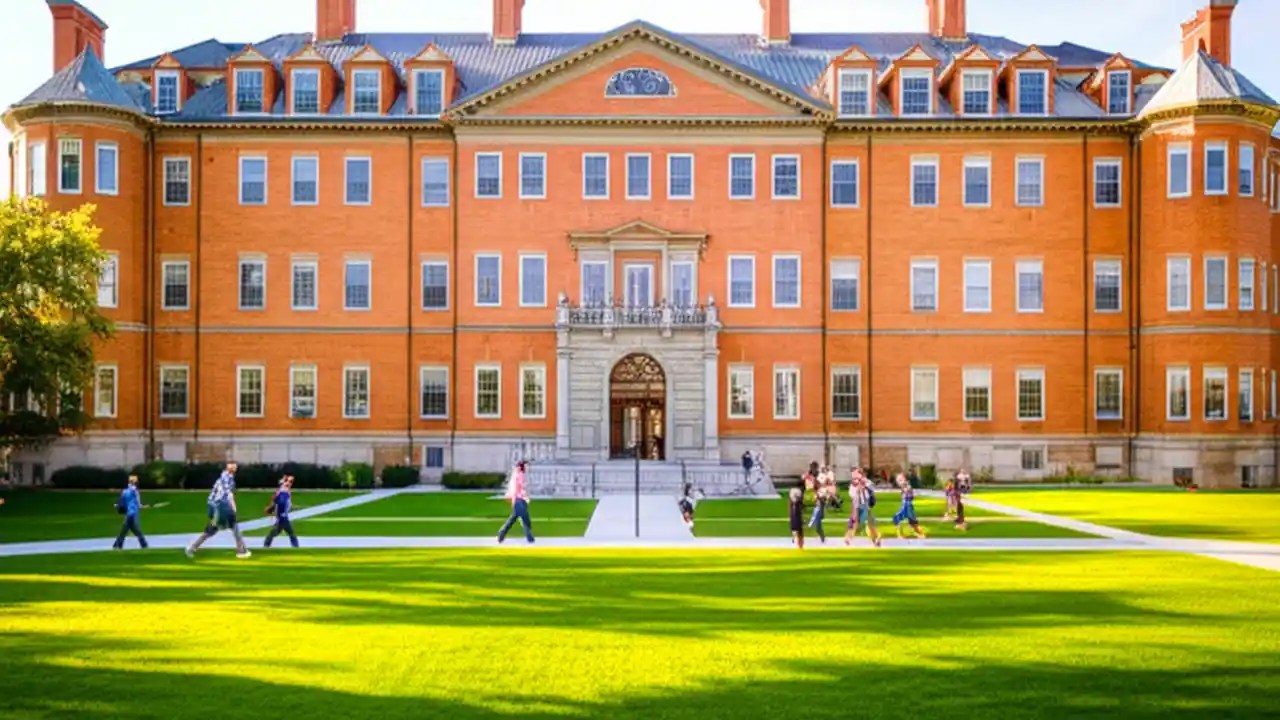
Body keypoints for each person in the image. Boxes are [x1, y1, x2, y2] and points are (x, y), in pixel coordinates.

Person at [186, 463, 251, 559]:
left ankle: (192, 547)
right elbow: (229, 496)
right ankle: (241, 551)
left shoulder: (220, 479)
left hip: (213, 507)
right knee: (233, 527)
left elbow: (212, 496)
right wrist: (234, 509)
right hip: (222, 508)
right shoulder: (229, 480)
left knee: (213, 529)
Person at [497, 460, 535, 544]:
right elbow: (520, 489)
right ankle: (530, 538)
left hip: (519, 500)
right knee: (525, 520)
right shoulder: (519, 475)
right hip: (519, 500)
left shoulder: (516, 476)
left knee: (512, 519)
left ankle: (501, 534)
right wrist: (524, 497)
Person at [843, 471, 882, 547]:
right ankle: (848, 538)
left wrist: (866, 485)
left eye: (858, 478)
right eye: (855, 478)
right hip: (857, 507)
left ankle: (876, 539)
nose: (857, 480)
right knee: (854, 523)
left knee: (870, 523)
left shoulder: (867, 482)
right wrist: (858, 488)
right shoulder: (852, 487)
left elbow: (872, 489)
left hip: (865, 506)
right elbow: (852, 495)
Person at [112, 475, 149, 550]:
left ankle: (118, 545)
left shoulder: (125, 491)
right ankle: (144, 544)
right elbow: (138, 504)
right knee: (135, 530)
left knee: (125, 530)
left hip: (129, 513)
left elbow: (122, 503)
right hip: (134, 513)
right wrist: (142, 506)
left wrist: (117, 505)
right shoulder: (135, 491)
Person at [263, 475, 299, 548]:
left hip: (283, 517)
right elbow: (280, 503)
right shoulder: (283, 492)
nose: (290, 484)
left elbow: (282, 503)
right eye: (288, 481)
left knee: (289, 533)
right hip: (282, 518)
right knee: (276, 532)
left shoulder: (284, 492)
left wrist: (290, 507)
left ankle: (266, 545)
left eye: (291, 482)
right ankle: (266, 545)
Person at [892, 473, 927, 539]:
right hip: (908, 506)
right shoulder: (905, 487)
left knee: (897, 518)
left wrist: (906, 489)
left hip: (906, 506)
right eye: (898, 481)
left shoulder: (907, 487)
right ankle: (920, 534)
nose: (899, 482)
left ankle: (901, 535)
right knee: (913, 522)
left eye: (900, 480)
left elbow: (910, 495)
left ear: (905, 479)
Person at [808, 479, 828, 544]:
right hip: (817, 509)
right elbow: (814, 501)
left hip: (820, 510)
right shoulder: (816, 492)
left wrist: (818, 497)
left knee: (817, 527)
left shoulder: (822, 491)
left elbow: (824, 501)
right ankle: (822, 538)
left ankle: (823, 539)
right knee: (817, 527)